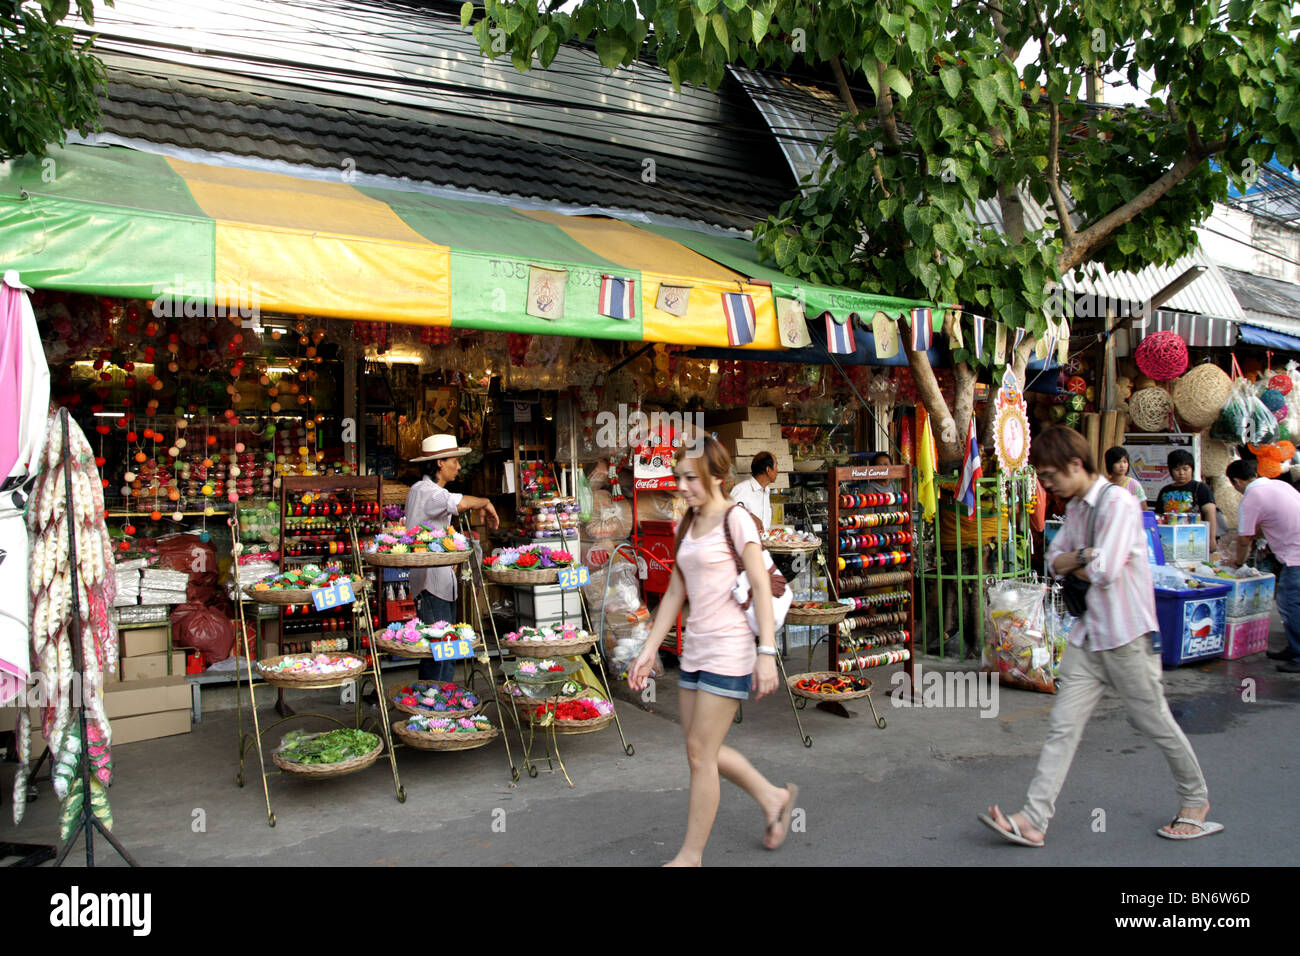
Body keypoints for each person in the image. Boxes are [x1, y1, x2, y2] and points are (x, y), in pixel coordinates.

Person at [979, 426, 1222, 845]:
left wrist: (1085, 560)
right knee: (1062, 727)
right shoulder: (1076, 511)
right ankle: (1034, 820)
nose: (1047, 484)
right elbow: (1054, 561)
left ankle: (1195, 800)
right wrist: (1086, 555)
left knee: (1155, 722)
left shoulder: (1119, 504)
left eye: (1052, 474)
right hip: (1089, 635)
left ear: (1076, 464)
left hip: (1127, 636)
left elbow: (1106, 572)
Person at [629, 436, 797, 866]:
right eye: (678, 477)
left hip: (731, 649)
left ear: (718, 478)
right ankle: (772, 796)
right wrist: (649, 650)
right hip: (697, 651)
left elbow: (760, 584)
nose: (681, 486)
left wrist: (765, 651)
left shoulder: (737, 520)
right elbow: (672, 595)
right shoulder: (689, 523)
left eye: (690, 478)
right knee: (699, 749)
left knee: (701, 755)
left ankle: (690, 857)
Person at [405, 434, 499, 683]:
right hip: (431, 583)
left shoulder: (423, 490)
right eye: (454, 461)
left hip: (439, 581)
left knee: (440, 648)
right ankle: (437, 705)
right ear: (439, 463)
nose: (458, 467)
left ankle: (435, 702)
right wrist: (486, 502)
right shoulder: (428, 492)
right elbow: (458, 502)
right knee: (441, 649)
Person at [1224, 458, 1300, 672]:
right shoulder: (1278, 484)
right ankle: (1293, 648)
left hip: (1296, 552)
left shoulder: (1251, 497)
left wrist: (1237, 562)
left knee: (1288, 601)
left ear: (1236, 482)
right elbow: (1269, 522)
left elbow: (1245, 539)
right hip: (1294, 549)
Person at [1154, 449, 1218, 554]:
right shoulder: (1165, 490)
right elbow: (1159, 515)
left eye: (1185, 469)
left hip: (1195, 539)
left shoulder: (1200, 488)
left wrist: (1211, 538)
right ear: (1170, 470)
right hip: (1168, 541)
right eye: (1177, 469)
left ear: (1192, 469)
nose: (1181, 473)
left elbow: (1210, 513)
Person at [729, 450, 777, 531]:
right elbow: (728, 515)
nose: (777, 471)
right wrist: (749, 516)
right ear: (768, 469)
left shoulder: (766, 491)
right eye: (776, 466)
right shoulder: (741, 489)